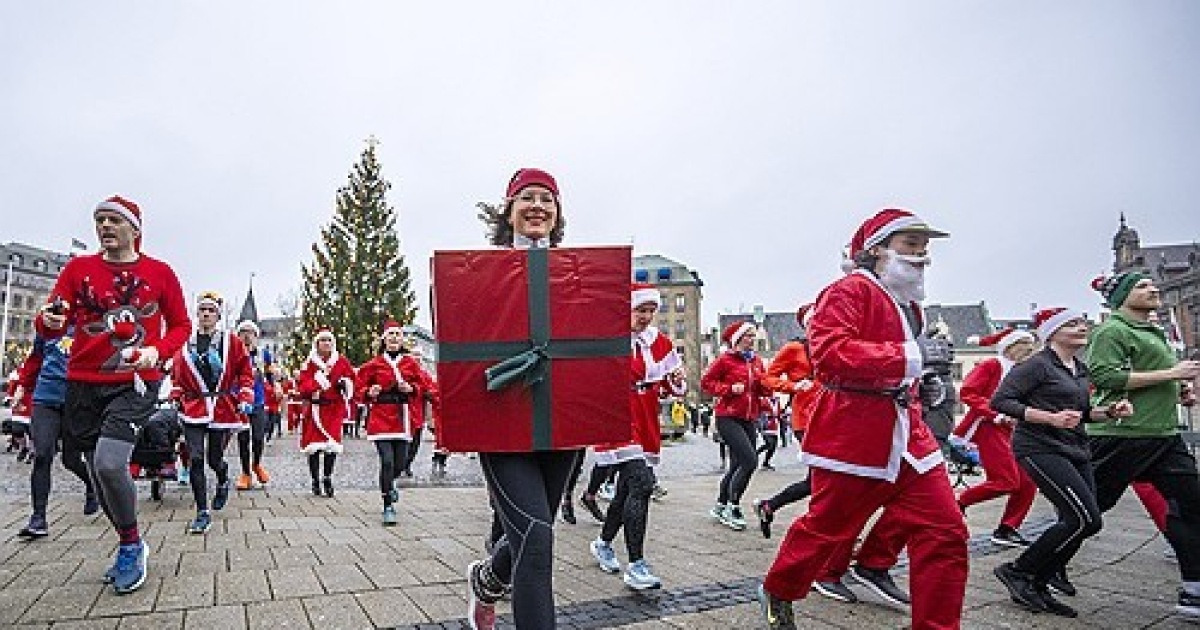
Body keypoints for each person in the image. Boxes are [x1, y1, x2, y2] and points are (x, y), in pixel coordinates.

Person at [759, 208, 968, 630]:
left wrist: (923, 384)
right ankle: (780, 587)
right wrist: (912, 359)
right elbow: (831, 355)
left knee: (946, 532)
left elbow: (904, 365)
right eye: (910, 245)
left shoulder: (911, 307)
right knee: (828, 527)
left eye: (924, 248)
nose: (922, 256)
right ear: (876, 250)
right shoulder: (847, 290)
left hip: (910, 435)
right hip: (855, 433)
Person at [37, 195, 191, 595]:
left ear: (135, 229)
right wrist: (49, 319)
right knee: (97, 471)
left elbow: (180, 325)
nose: (105, 226)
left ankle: (128, 546)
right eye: (99, 220)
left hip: (135, 380)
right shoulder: (78, 269)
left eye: (113, 220)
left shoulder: (159, 273)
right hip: (83, 383)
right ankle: (131, 540)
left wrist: (158, 350)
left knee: (108, 464)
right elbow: (54, 321)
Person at [466, 167, 584, 630]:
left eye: (547, 199)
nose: (538, 206)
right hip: (503, 423)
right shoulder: (481, 272)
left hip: (564, 424)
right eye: (527, 198)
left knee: (531, 535)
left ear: (557, 214)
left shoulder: (577, 275)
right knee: (535, 542)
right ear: (509, 210)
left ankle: (487, 580)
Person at [991, 306, 1133, 617]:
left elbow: (1079, 414)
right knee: (1083, 519)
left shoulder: (1079, 369)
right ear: (1052, 332)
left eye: (1083, 323)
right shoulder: (1036, 365)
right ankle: (1019, 571)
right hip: (1039, 447)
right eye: (1072, 324)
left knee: (1084, 520)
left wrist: (1109, 412)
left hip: (1076, 448)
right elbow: (1001, 402)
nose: (1081, 328)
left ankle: (1037, 583)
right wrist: (1049, 418)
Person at [1086, 272, 1200, 619]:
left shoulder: (1153, 330)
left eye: (1153, 284)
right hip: (1123, 435)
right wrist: (1171, 375)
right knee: (1088, 512)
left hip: (1162, 433)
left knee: (1192, 506)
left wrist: (1180, 392)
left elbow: (1156, 376)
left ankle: (1193, 590)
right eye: (1141, 286)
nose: (1153, 289)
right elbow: (1106, 378)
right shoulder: (1111, 331)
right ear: (1121, 297)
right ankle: (1038, 566)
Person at [588, 283, 686, 590]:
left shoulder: (660, 342)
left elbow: (673, 386)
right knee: (643, 484)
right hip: (617, 415)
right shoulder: (609, 338)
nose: (645, 317)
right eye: (640, 310)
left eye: (650, 311)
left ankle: (603, 543)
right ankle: (637, 565)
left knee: (626, 492)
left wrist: (677, 380)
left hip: (645, 417)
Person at [169, 291, 254, 534]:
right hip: (193, 407)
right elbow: (177, 374)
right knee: (195, 458)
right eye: (202, 310)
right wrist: (176, 394)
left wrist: (245, 395)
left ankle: (223, 475)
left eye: (211, 311)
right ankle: (202, 511)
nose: (206, 314)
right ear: (197, 314)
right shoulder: (186, 344)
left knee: (213, 458)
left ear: (218, 316)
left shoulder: (231, 342)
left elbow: (245, 372)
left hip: (221, 407)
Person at [953, 327, 1039, 547]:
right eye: (1024, 346)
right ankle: (959, 501)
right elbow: (968, 393)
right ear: (1010, 347)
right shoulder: (993, 365)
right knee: (1006, 480)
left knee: (1028, 481)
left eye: (1032, 347)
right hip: (986, 427)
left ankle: (1008, 528)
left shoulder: (1026, 372)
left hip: (1014, 430)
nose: (1030, 351)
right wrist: (997, 414)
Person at [16, 328, 99, 538]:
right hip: (45, 398)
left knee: (71, 459)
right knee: (42, 455)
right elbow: (35, 358)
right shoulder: (48, 327)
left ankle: (90, 484)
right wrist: (22, 386)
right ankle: (38, 517)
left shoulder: (89, 324)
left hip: (76, 401)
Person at [753, 305, 820, 540]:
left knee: (821, 480)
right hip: (807, 420)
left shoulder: (833, 347)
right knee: (823, 479)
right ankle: (822, 535)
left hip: (834, 419)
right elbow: (767, 378)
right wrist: (792, 386)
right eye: (815, 321)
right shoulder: (794, 348)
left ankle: (770, 506)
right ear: (807, 325)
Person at [701, 320, 768, 531]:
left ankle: (721, 504)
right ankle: (733, 506)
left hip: (749, 417)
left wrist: (766, 389)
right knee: (750, 461)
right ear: (738, 339)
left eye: (753, 336)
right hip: (727, 417)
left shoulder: (756, 361)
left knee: (737, 465)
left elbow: (761, 388)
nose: (752, 339)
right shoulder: (725, 360)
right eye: (748, 335)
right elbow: (706, 383)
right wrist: (729, 389)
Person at [357, 320, 426, 525]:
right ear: (384, 339)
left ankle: (391, 483)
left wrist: (411, 389)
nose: (394, 338)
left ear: (402, 339)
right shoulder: (373, 365)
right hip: (380, 416)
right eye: (391, 334)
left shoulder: (410, 364)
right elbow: (359, 389)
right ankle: (387, 504)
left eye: (398, 334)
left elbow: (422, 386)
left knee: (400, 462)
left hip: (402, 416)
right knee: (386, 461)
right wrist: (369, 392)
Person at [297, 327, 355, 497]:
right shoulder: (309, 364)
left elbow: (352, 380)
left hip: (333, 409)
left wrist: (345, 384)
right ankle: (315, 479)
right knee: (313, 448)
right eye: (323, 340)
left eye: (329, 340)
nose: (326, 343)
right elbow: (302, 387)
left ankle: (328, 477)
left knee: (331, 446)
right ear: (317, 344)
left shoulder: (341, 362)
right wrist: (318, 382)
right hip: (315, 409)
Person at [234, 320, 272, 489]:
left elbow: (270, 376)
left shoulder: (263, 355)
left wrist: (275, 383)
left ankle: (256, 464)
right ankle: (245, 473)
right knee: (243, 438)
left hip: (258, 401)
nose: (247, 336)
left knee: (258, 438)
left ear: (256, 336)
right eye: (243, 332)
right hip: (239, 401)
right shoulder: (233, 355)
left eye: (251, 332)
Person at [757, 396, 782, 470]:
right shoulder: (763, 400)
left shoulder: (777, 401)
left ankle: (766, 463)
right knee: (769, 444)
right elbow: (759, 411)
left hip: (775, 426)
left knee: (773, 446)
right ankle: (754, 454)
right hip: (766, 425)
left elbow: (779, 413)